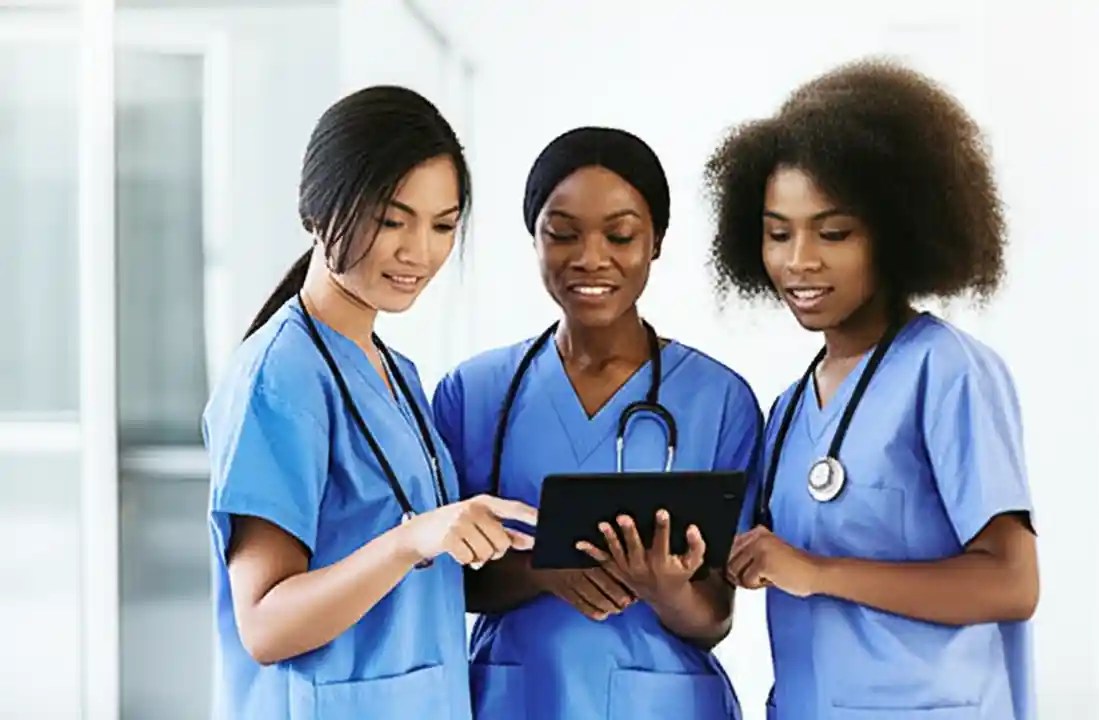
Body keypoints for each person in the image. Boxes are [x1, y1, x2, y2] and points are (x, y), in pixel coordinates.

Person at [705, 59, 1040, 719]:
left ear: (895, 233)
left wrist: (816, 572)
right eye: (778, 233)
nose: (800, 259)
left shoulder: (947, 371)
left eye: (834, 233)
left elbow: (1011, 581)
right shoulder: (790, 409)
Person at [202, 85, 537, 720]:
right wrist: (413, 540)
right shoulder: (281, 378)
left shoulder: (396, 374)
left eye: (443, 225)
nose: (420, 252)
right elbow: (266, 625)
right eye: (392, 220)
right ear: (319, 209)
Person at [431, 126, 761, 720]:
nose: (590, 258)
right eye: (561, 234)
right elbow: (441, 585)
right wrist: (543, 570)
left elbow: (716, 617)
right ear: (534, 239)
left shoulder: (719, 399)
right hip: (515, 698)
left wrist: (667, 588)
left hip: (664, 704)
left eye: (621, 234)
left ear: (655, 240)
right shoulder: (472, 394)